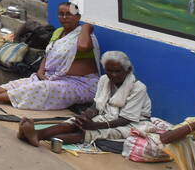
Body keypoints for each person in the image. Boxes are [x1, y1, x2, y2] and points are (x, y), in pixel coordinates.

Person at [0, 2, 99, 107]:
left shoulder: (84, 35)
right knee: (20, 83)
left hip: (79, 84)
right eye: (61, 14)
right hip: (52, 76)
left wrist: (86, 27)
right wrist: (41, 69)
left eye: (69, 14)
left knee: (38, 88)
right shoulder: (58, 32)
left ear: (78, 17)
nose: (64, 17)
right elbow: (48, 54)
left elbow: (83, 46)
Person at [16, 51, 151, 148]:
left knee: (86, 133)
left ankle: (35, 135)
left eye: (117, 71)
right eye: (109, 71)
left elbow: (126, 119)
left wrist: (94, 125)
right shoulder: (104, 80)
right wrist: (85, 117)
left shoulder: (138, 88)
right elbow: (96, 105)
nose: (113, 75)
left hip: (131, 124)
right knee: (73, 123)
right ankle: (34, 135)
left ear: (128, 70)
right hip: (107, 117)